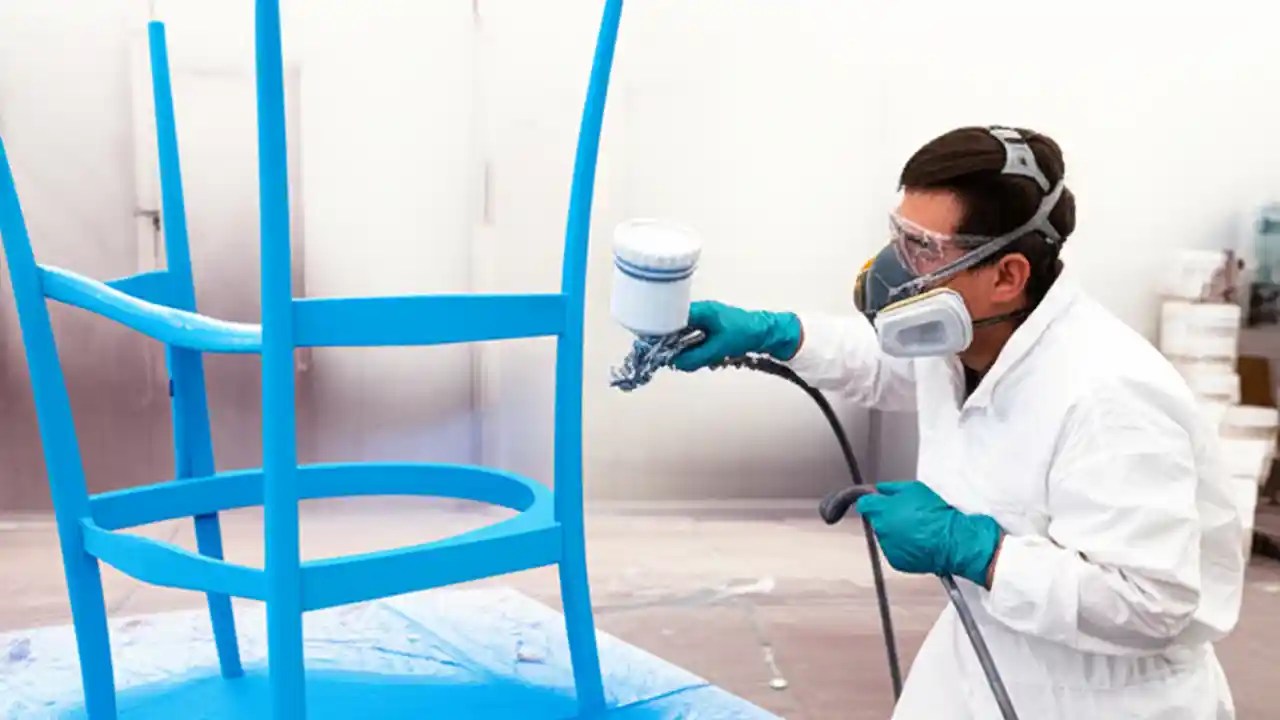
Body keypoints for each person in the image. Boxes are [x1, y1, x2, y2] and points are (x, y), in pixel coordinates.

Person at [672, 126, 1245, 718]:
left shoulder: (1110, 396)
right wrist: (780, 335)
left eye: (923, 247)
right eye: (899, 235)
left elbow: (1151, 603)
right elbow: (881, 363)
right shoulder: (969, 341)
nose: (896, 266)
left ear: (1007, 276)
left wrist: (976, 550)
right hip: (981, 660)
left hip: (1101, 696)